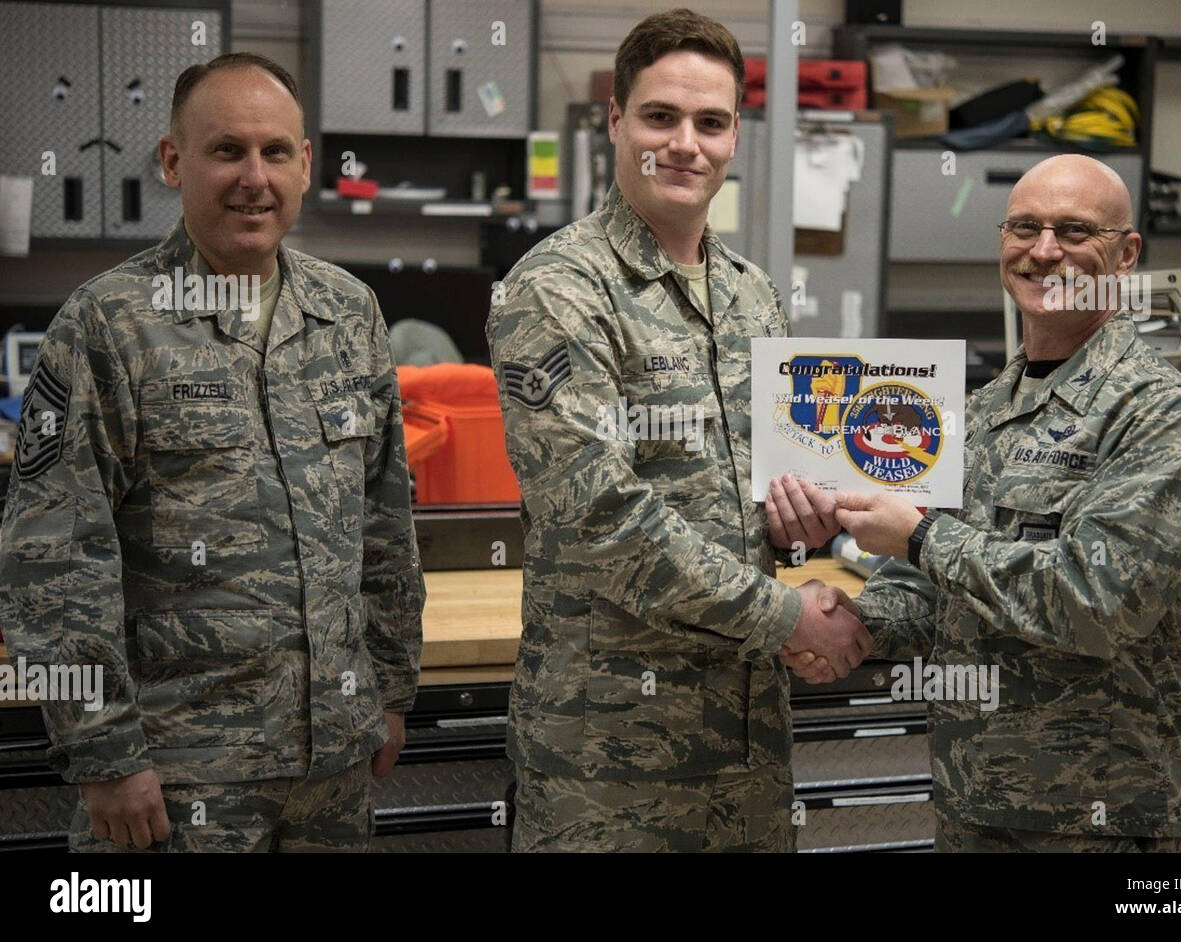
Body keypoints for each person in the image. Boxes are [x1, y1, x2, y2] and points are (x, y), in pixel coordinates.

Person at [0, 53, 425, 852]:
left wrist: (391, 690)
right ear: (172, 161)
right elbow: (50, 558)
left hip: (333, 762)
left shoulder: (348, 311)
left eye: (274, 153)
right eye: (227, 150)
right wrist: (104, 753)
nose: (253, 178)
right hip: (176, 773)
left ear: (305, 166)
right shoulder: (108, 325)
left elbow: (384, 522)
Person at [487, 8, 868, 853]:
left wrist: (798, 519)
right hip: (610, 759)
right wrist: (785, 614)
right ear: (616, 121)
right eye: (661, 116)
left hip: (747, 743)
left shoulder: (753, 295)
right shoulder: (558, 289)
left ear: (737, 136)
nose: (685, 144)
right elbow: (599, 517)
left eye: (711, 122)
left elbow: (763, 497)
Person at [780, 153, 1181, 851]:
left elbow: (1097, 602)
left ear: (1126, 255)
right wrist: (847, 622)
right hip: (973, 810)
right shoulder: (979, 411)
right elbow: (931, 594)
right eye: (1024, 227)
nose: (1043, 250)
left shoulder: (1161, 419)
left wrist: (923, 538)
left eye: (1073, 231)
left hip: (1100, 823)